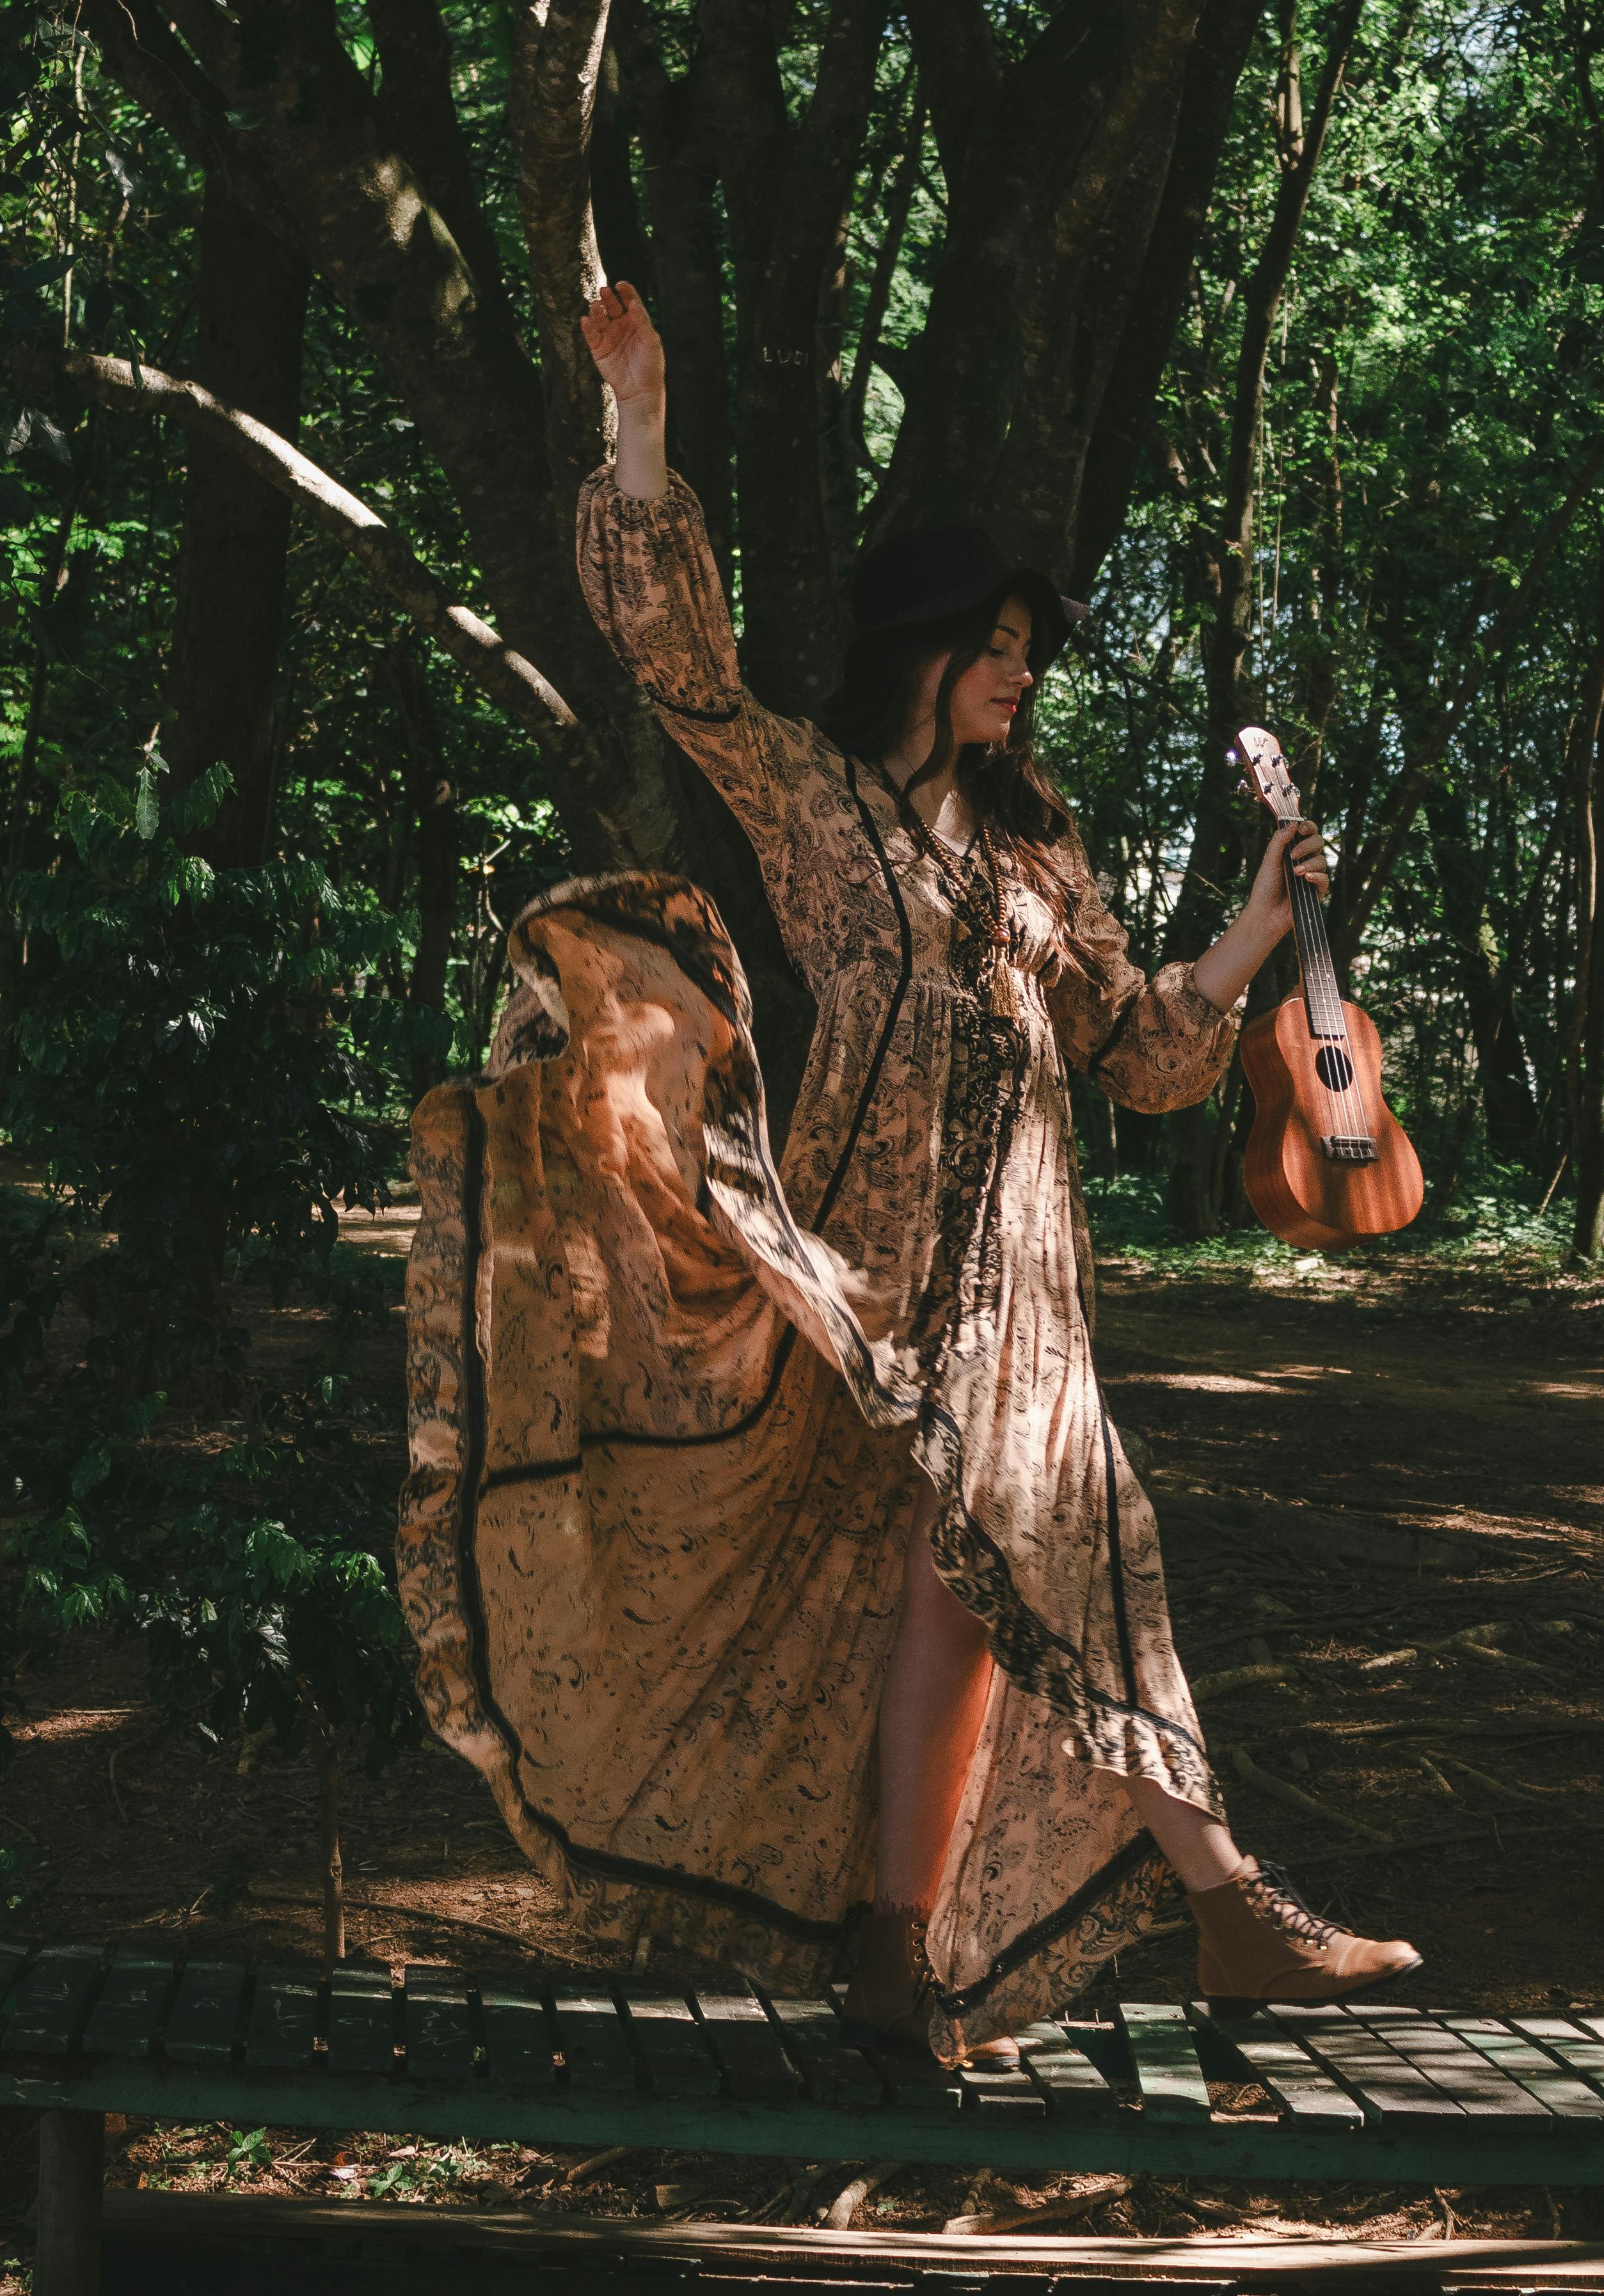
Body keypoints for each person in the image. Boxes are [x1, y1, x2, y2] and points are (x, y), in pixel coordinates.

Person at [556, 278, 1420, 2054]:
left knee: (1018, 1568)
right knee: (986, 1578)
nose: (1025, 675)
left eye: (1032, 650)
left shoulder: (1040, 850)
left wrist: (1259, 930)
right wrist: (639, 422)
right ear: (926, 649)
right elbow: (678, 668)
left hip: (1028, 1283)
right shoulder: (815, 797)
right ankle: (1190, 1912)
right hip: (869, 1268)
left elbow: (1145, 1057)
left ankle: (971, 1941)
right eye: (1000, 645)